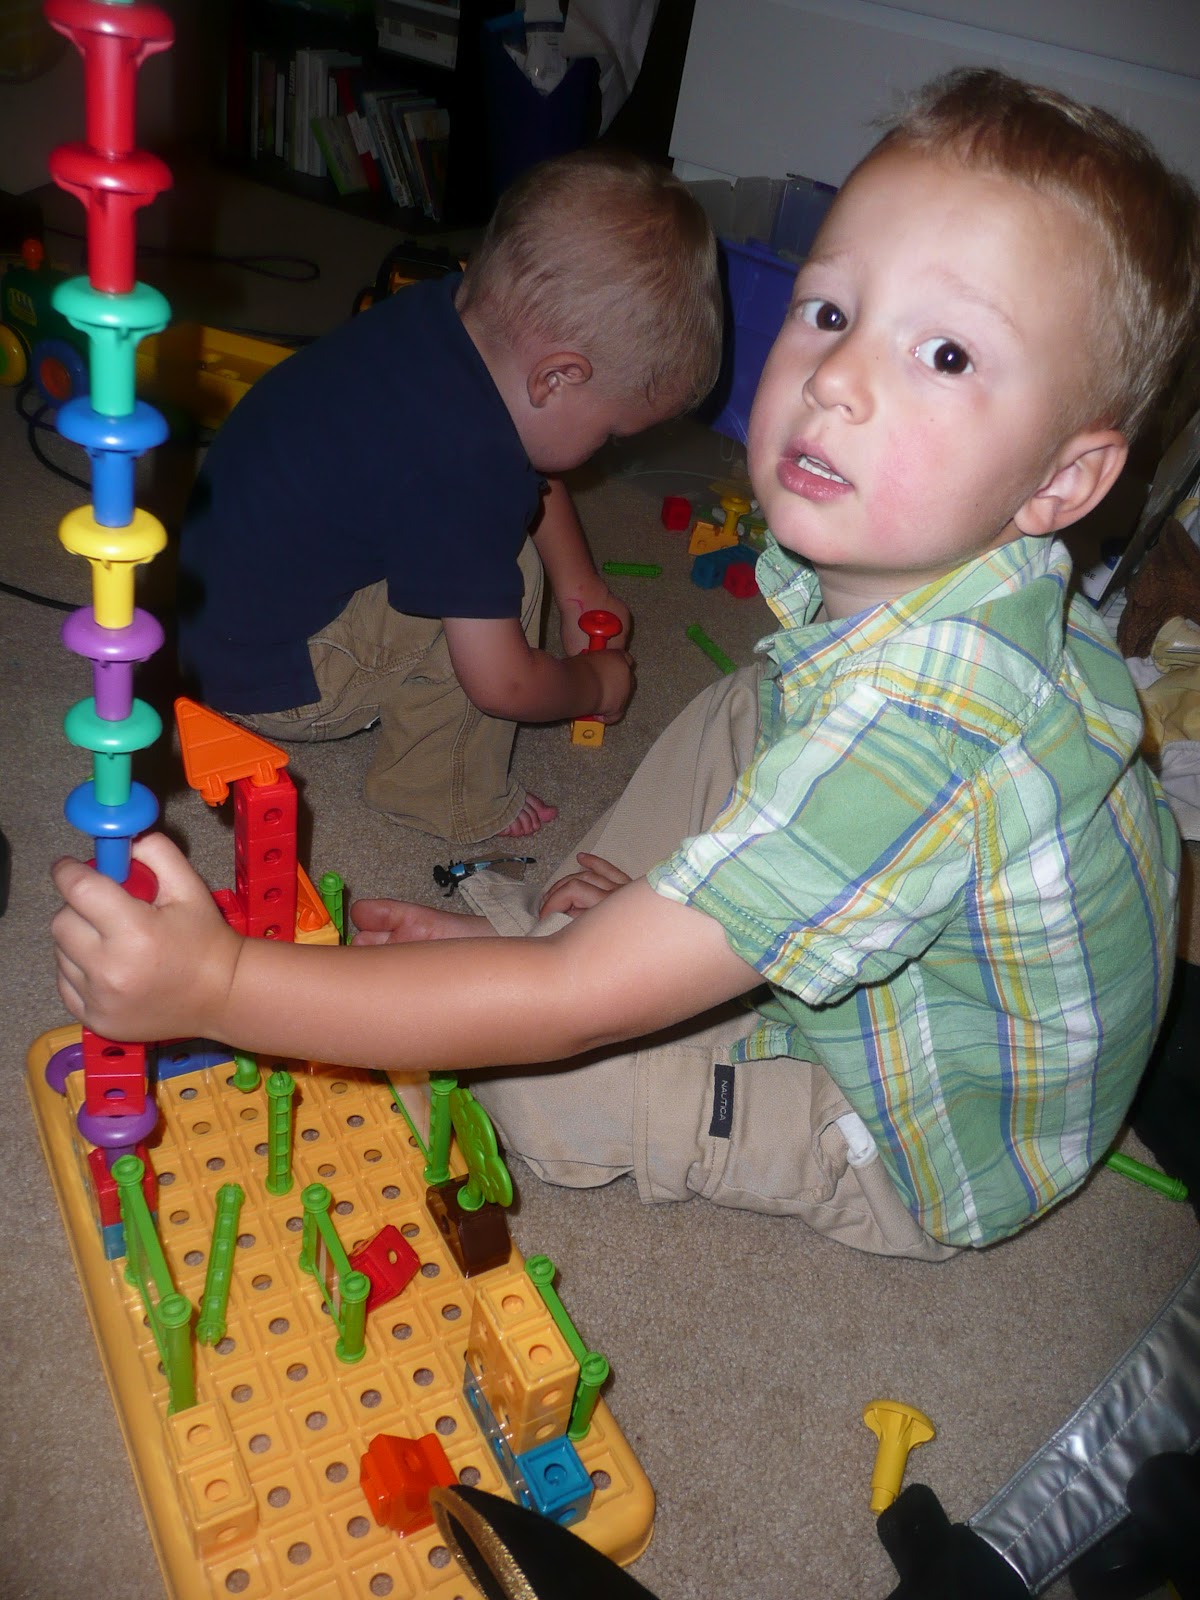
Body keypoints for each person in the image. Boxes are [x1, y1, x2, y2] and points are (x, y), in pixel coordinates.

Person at [54, 69, 1199, 1260]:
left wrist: (225, 987)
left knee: (525, 1083)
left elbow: (558, 1017)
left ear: (1062, 484)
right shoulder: (951, 587)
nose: (841, 378)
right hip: (921, 926)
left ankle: (610, 947)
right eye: (829, 312)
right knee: (746, 703)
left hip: (912, 1134)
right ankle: (623, 923)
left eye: (948, 354)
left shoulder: (927, 734)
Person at [175, 148, 722, 842]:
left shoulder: (444, 320)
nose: (606, 449)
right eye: (612, 431)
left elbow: (531, 454)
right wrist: (594, 684)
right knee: (507, 574)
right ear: (556, 377)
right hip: (270, 679)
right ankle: (444, 792)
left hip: (212, 610)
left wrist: (578, 581)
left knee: (491, 538)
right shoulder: (464, 465)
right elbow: (504, 685)